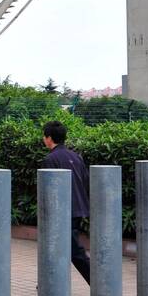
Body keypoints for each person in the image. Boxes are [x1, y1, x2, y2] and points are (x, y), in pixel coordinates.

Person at [42, 120, 91, 284]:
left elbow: (50, 190)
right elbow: (85, 181)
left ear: (49, 138)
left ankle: (100, 284)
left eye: (44, 136)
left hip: (63, 211)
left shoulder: (51, 159)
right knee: (56, 246)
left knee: (75, 252)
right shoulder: (76, 157)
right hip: (78, 208)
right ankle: (49, 281)